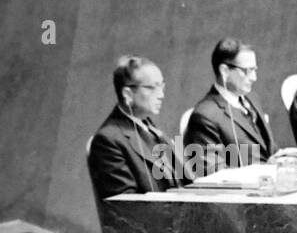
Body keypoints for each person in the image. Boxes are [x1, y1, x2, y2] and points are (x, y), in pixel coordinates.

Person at [87, 55, 181, 203]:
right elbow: (128, 207)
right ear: (128, 94)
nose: (161, 95)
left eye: (162, 86)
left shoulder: (149, 127)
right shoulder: (108, 140)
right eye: (151, 88)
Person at [182, 38, 277, 178]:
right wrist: (264, 171)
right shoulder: (205, 115)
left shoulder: (252, 99)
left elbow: (268, 151)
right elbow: (213, 172)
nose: (254, 77)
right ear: (224, 70)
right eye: (247, 71)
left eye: (255, 70)